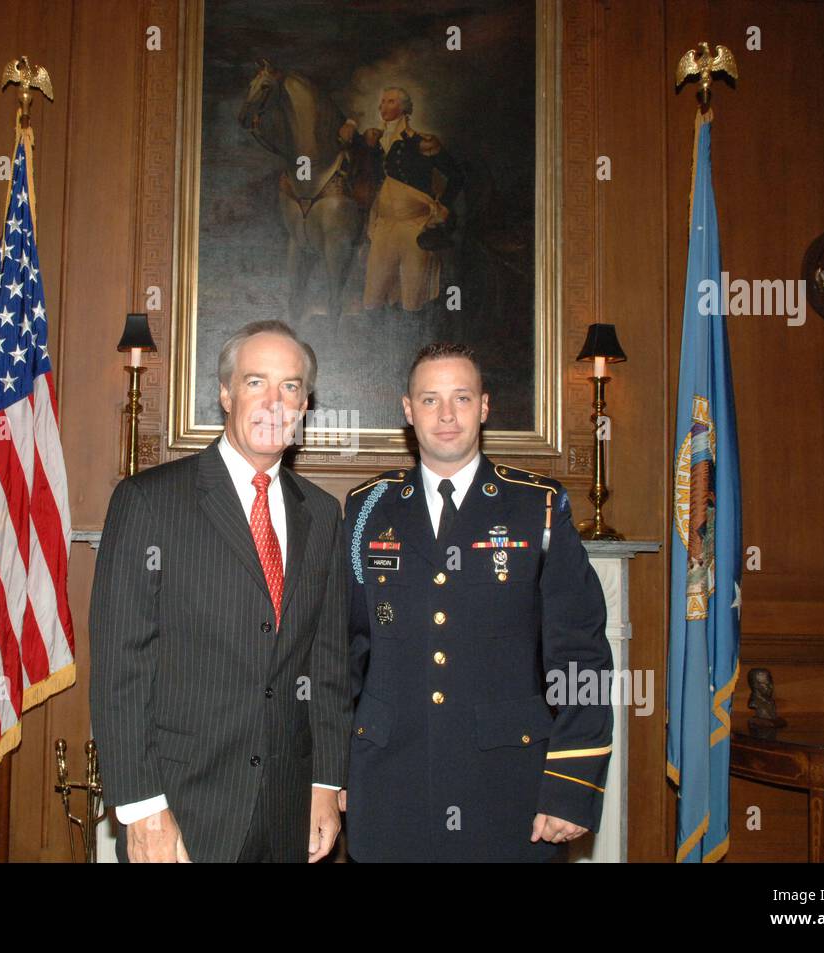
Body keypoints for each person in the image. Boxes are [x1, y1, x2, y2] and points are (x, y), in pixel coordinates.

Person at [90, 320, 350, 862]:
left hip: (286, 810)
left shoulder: (322, 514)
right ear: (226, 393)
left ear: (305, 404)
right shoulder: (149, 502)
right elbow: (120, 666)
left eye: (291, 386)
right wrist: (141, 806)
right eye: (256, 382)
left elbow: (326, 665)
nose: (274, 401)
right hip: (181, 808)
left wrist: (325, 783)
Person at [341, 342, 613, 861]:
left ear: (484, 407)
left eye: (461, 399)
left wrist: (573, 784)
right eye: (430, 400)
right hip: (389, 784)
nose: (446, 415)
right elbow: (343, 653)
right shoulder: (367, 508)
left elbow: (581, 656)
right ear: (407, 410)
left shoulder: (539, 508)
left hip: (507, 788)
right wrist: (330, 776)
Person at [340, 87, 464, 313]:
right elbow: (350, 148)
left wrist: (442, 208)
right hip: (384, 226)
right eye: (382, 102)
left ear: (404, 108)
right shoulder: (373, 141)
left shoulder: (423, 142)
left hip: (415, 226)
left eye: (390, 101)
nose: (382, 106)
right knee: (373, 299)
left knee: (412, 299)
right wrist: (350, 123)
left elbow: (456, 176)